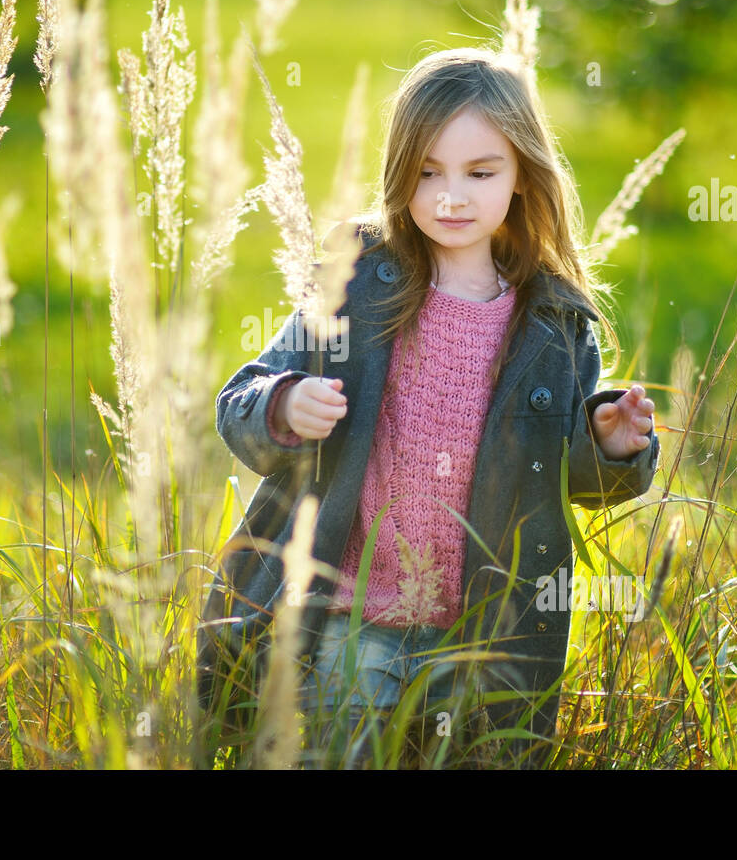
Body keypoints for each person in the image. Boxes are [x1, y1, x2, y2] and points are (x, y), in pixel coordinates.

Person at [200, 45, 661, 769]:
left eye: (480, 173)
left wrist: (608, 443)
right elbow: (240, 401)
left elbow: (574, 483)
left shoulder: (553, 324)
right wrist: (287, 404)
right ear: (398, 173)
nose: (451, 196)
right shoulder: (354, 284)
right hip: (350, 617)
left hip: (482, 637)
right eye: (427, 173)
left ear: (521, 176)